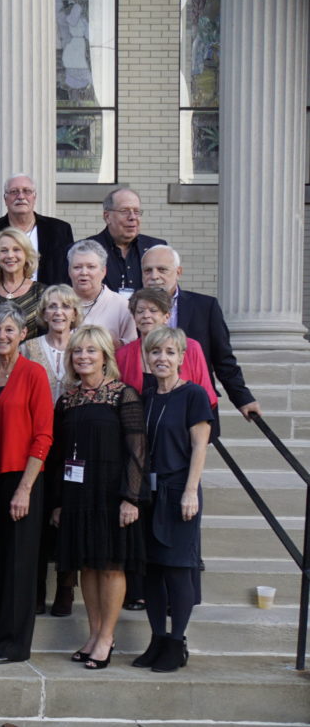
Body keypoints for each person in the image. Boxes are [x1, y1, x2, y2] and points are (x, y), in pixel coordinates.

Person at [49, 324, 146, 670]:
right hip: (77, 493)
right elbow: (59, 454)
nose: (83, 356)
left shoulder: (123, 394)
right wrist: (59, 501)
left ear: (105, 356)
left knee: (110, 566)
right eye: (77, 351)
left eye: (91, 350)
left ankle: (107, 636)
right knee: (86, 566)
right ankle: (92, 634)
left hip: (111, 493)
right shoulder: (67, 400)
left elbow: (137, 450)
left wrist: (130, 498)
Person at [0, 303, 53, 664]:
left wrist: (25, 488)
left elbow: (43, 435)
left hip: (23, 479)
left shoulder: (34, 373)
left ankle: (12, 644)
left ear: (23, 334)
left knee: (19, 565)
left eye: (9, 330)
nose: (2, 336)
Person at [132, 326, 212, 673]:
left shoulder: (193, 395)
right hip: (149, 494)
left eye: (168, 352)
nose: (161, 358)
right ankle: (157, 639)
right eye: (155, 352)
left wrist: (191, 490)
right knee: (151, 570)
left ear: (182, 357)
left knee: (178, 569)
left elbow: (199, 446)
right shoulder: (146, 396)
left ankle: (177, 641)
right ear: (146, 358)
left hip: (180, 491)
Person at [139, 244, 260, 430]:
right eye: (148, 270)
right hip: (146, 403)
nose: (154, 276)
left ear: (178, 272)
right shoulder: (132, 308)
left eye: (162, 269)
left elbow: (223, 358)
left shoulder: (205, 307)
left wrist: (242, 398)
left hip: (193, 404)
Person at [20, 283, 84, 617]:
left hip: (75, 440)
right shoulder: (29, 347)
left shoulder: (86, 344)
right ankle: (35, 589)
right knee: (40, 514)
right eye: (52, 307)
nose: (58, 312)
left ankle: (65, 586)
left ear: (75, 312)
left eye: (65, 306)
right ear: (43, 314)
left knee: (69, 513)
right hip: (36, 440)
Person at [117, 288, 216, 405]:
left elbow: (207, 395)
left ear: (167, 317)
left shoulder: (190, 347)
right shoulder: (123, 354)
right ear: (134, 317)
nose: (146, 315)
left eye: (153, 310)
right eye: (140, 311)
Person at [0, 173, 75, 286]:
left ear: (34, 197)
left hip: (50, 300)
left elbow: (69, 270)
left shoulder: (59, 230)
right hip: (2, 300)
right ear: (5, 199)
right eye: (14, 192)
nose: (21, 197)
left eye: (27, 191)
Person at [84, 187, 165, 295]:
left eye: (136, 212)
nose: (132, 217)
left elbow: (169, 291)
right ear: (107, 217)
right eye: (124, 211)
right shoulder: (84, 250)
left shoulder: (157, 248)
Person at [67, 240, 137, 346]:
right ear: (69, 271)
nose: (84, 272)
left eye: (91, 267)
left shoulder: (122, 306)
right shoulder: (57, 304)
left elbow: (131, 347)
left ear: (103, 271)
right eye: (77, 267)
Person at [0, 227, 46, 336]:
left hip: (30, 353)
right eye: (4, 250)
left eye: (16, 250)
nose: (10, 255)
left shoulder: (41, 293)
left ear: (26, 255)